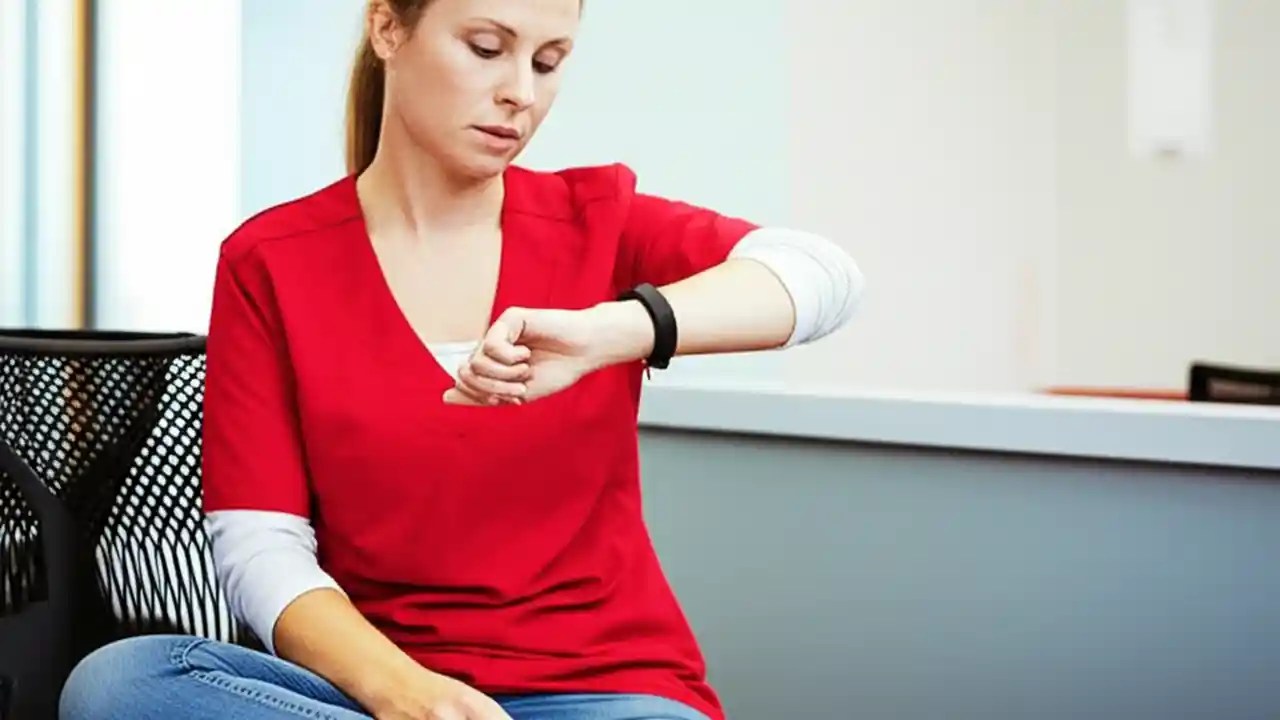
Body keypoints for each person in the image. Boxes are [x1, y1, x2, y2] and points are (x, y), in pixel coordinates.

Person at [58, 1, 863, 719]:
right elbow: (259, 547)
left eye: (549, 62)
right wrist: (404, 694)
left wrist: (617, 330)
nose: (523, 90)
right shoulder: (270, 262)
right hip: (371, 692)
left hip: (601, 694)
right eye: (487, 47)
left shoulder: (601, 221)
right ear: (387, 28)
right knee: (121, 682)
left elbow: (821, 276)